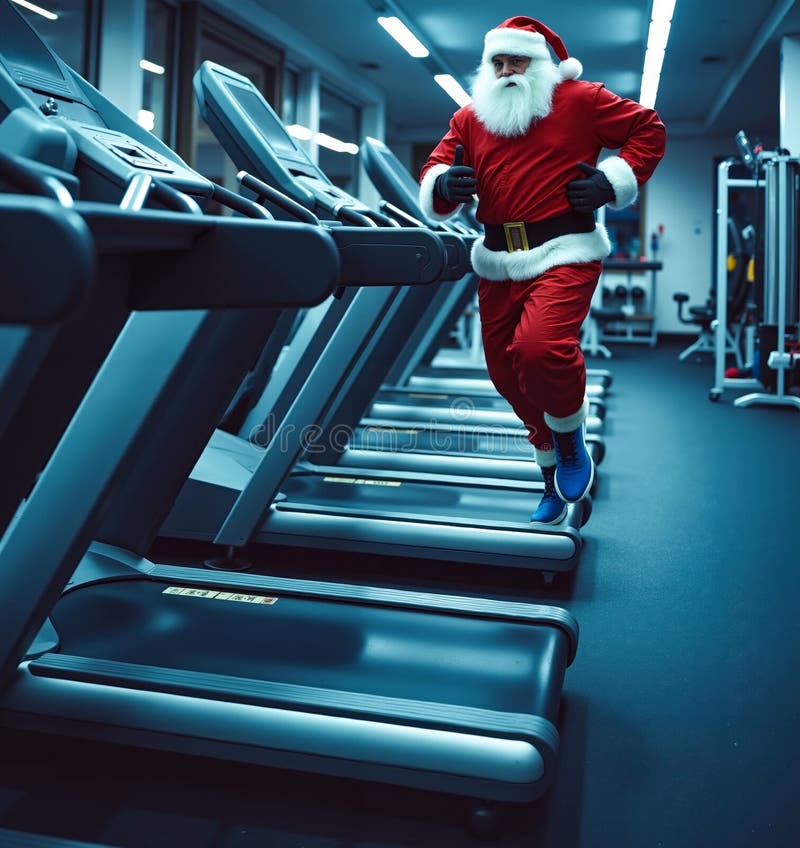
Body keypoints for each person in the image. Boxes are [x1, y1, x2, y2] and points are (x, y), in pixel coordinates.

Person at [419, 15, 666, 524]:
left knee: (539, 349)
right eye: (499, 62)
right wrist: (443, 184)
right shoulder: (470, 118)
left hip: (564, 250)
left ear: (542, 66)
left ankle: (571, 439)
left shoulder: (582, 99)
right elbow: (434, 166)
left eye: (519, 61)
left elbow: (648, 129)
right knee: (506, 372)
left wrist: (610, 181)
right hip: (496, 260)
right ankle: (549, 465)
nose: (508, 71)